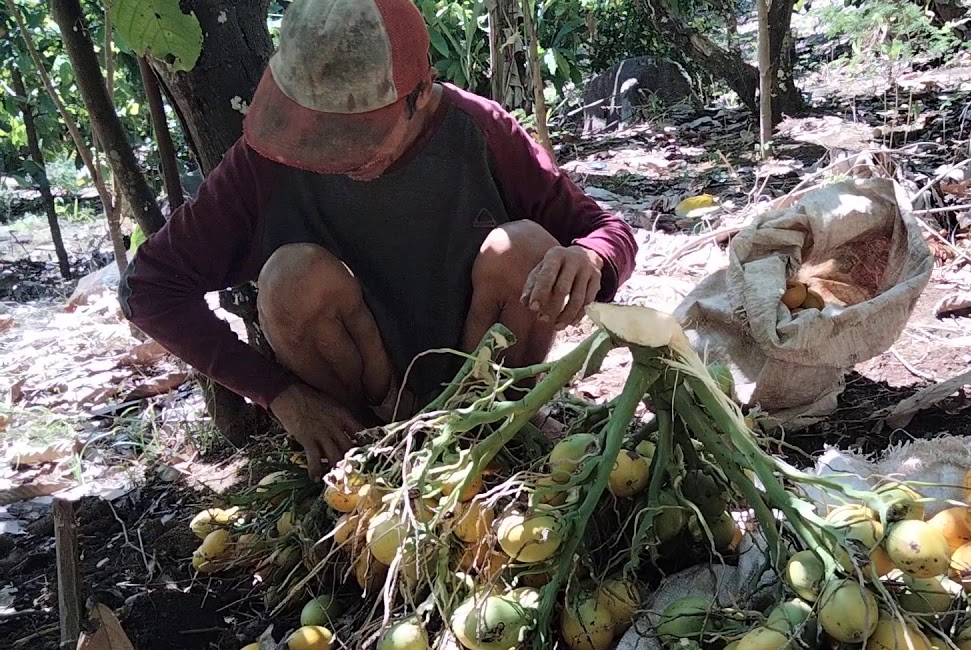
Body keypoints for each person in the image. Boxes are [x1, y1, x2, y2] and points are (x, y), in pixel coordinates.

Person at [118, 0, 637, 478]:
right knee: (291, 277)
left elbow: (609, 232)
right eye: (319, 133)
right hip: (361, 403)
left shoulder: (480, 131)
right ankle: (363, 458)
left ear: (421, 93)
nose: (338, 155)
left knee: (524, 247)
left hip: (485, 388)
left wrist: (590, 258)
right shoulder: (265, 161)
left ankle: (496, 439)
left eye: (356, 135)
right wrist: (281, 396)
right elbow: (149, 287)